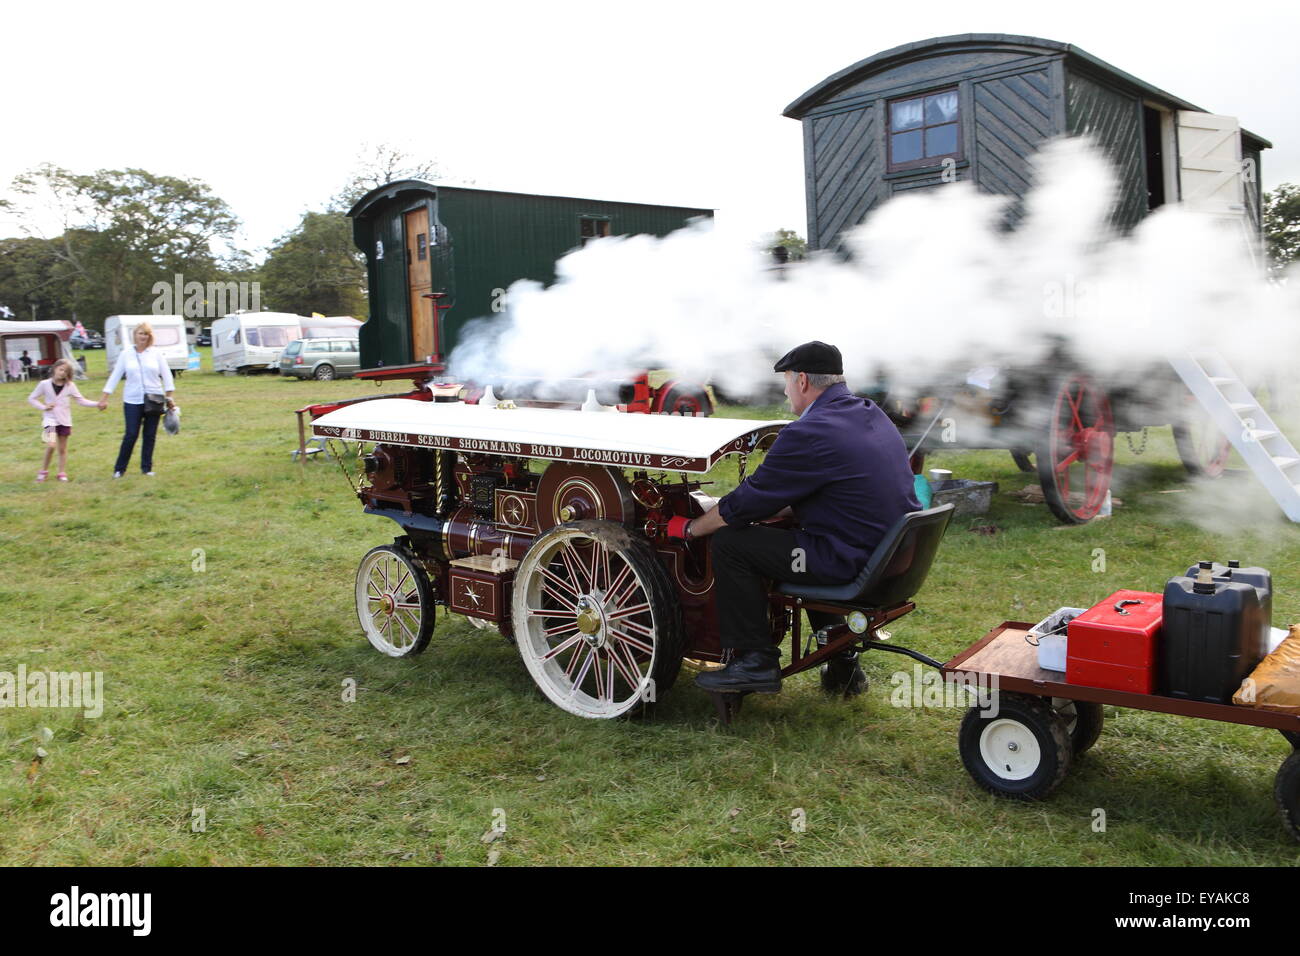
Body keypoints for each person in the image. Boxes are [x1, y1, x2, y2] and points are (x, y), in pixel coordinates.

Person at [669, 341, 921, 694]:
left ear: (802, 380)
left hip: (852, 560)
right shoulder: (869, 413)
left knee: (730, 543)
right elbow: (825, 492)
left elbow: (745, 505)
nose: (786, 392)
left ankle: (755, 662)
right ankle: (842, 664)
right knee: (797, 533)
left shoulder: (809, 432)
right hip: (893, 556)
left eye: (786, 382)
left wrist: (692, 528)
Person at [99, 322, 176, 478]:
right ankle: (119, 469)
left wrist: (169, 397)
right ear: (135, 335)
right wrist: (104, 397)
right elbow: (115, 376)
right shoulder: (126, 354)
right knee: (131, 434)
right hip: (132, 400)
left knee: (149, 435)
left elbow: (167, 375)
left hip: (154, 398)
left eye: (146, 334)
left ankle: (146, 468)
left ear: (150, 337)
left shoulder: (156, 354)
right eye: (141, 333)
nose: (143, 337)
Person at [28, 358, 104, 481]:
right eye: (61, 369)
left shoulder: (70, 386)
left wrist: (97, 404)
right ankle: (43, 471)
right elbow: (31, 398)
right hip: (49, 420)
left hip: (65, 421)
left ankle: (61, 473)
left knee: (62, 449)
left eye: (66, 371)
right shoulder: (44, 384)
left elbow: (81, 400)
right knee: (51, 445)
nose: (62, 373)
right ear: (54, 369)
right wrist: (43, 407)